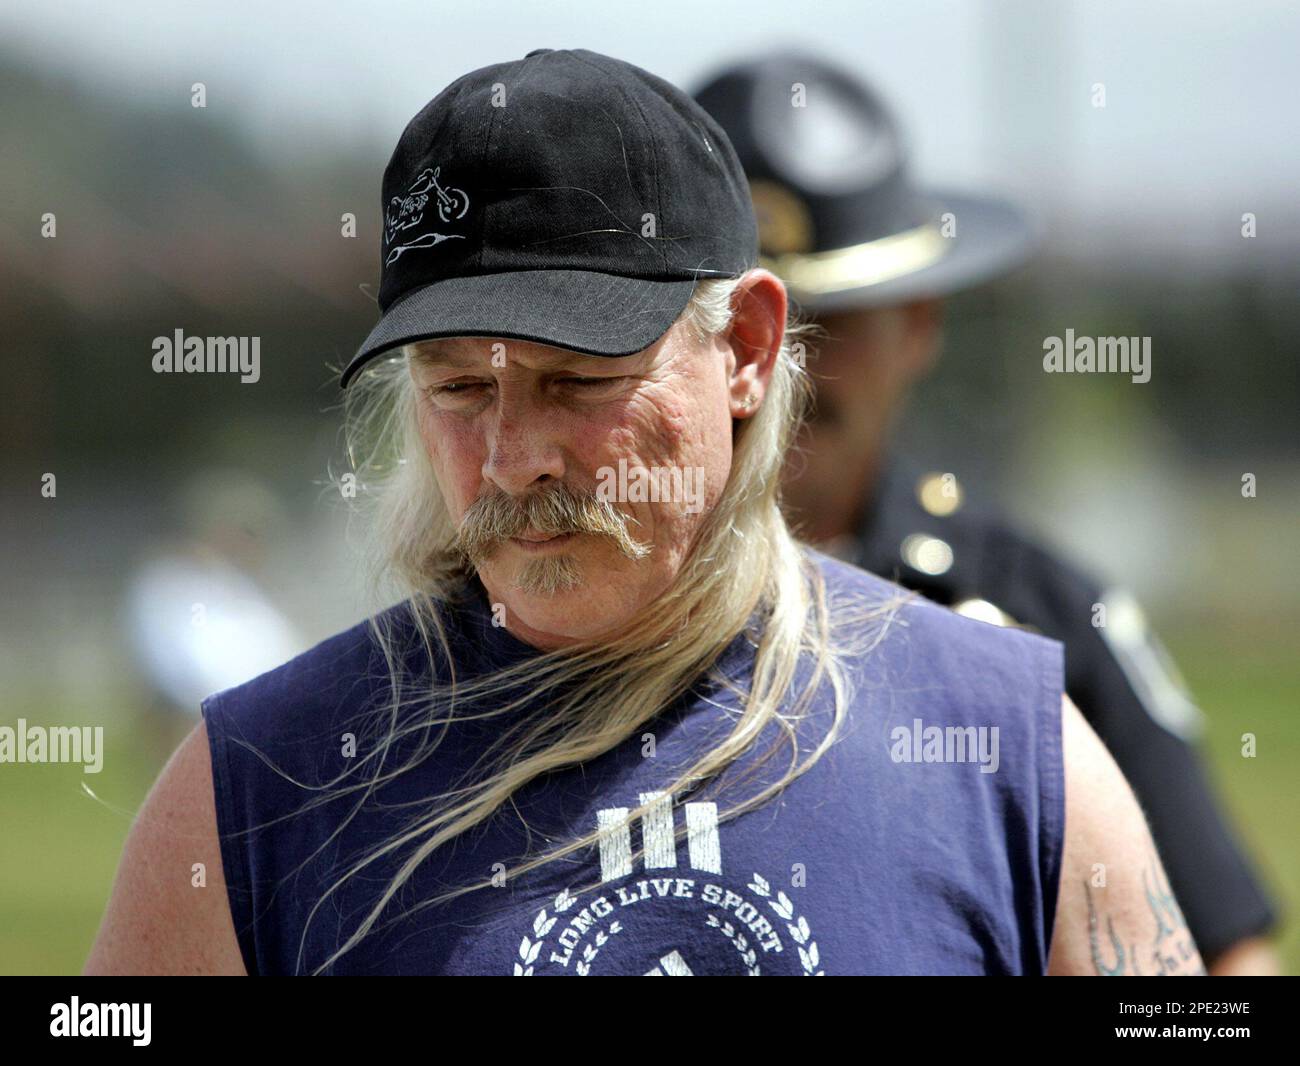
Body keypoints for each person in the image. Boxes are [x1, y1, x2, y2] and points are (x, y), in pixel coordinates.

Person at [85, 48, 1204, 976]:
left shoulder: (1009, 748)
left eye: (579, 380)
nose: (513, 458)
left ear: (749, 352)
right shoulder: (253, 788)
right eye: (458, 386)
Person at [692, 50, 1280, 975]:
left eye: (832, 321)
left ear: (919, 323)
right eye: (746, 324)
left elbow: (1222, 964)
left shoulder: (1044, 614)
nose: (787, 366)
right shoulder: (584, 611)